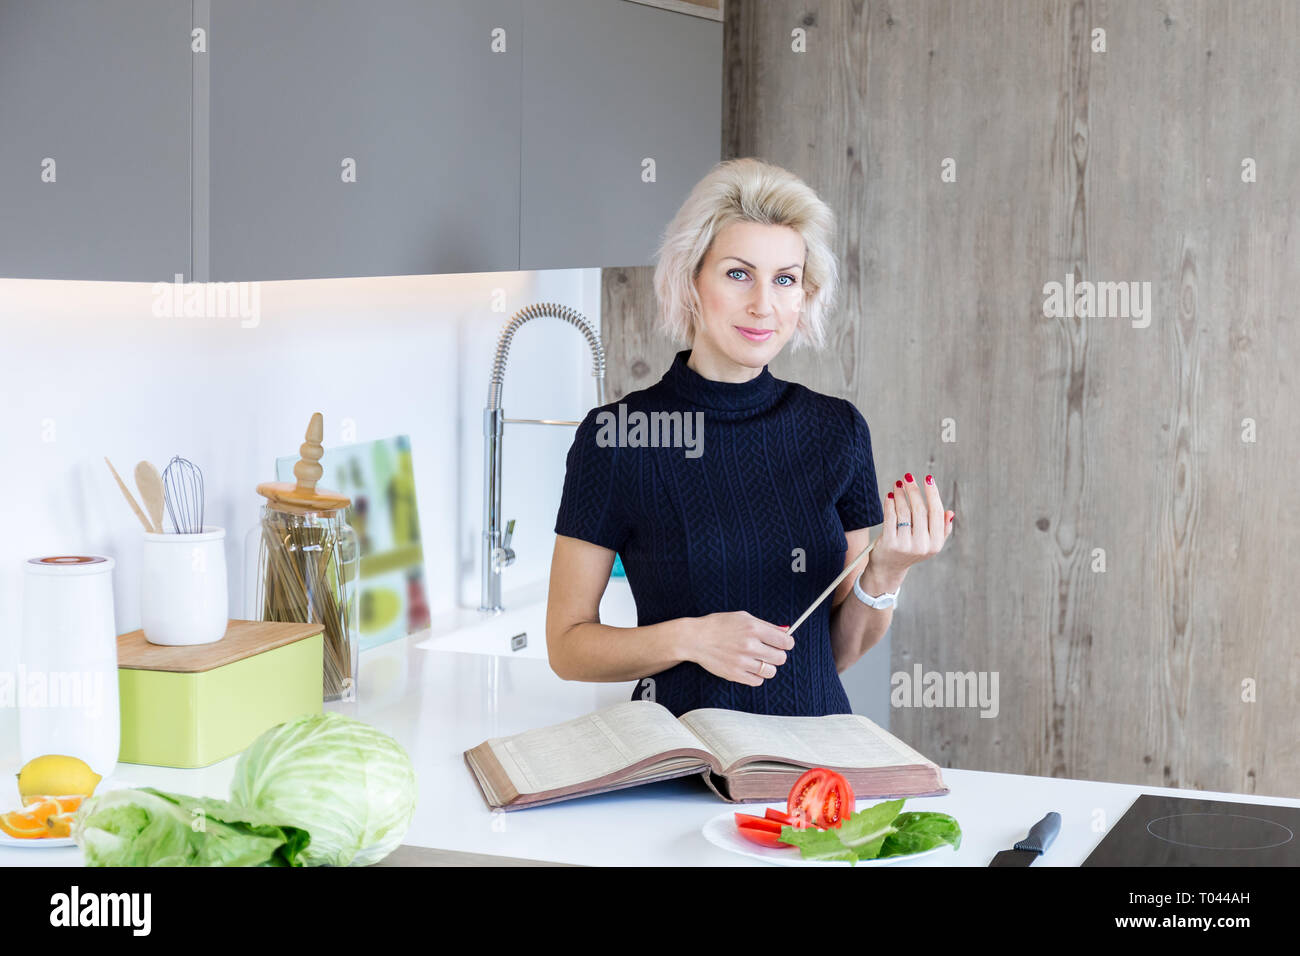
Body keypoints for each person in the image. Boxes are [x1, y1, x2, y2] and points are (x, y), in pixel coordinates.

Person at [546, 157, 954, 717]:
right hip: (680, 761)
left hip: (809, 772)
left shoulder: (837, 431)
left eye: (785, 279)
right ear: (692, 280)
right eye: (738, 273)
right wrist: (690, 639)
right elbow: (568, 647)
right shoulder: (617, 437)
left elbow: (835, 651)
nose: (764, 304)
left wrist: (888, 572)